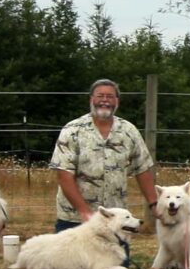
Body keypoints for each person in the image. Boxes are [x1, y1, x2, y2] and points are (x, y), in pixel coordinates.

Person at [51, 78, 158, 233]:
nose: (105, 100)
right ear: (91, 99)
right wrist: (85, 212)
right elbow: (64, 175)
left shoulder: (129, 131)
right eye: (100, 96)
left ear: (117, 101)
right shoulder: (72, 130)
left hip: (116, 220)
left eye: (110, 96)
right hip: (75, 220)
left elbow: (142, 168)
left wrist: (154, 204)